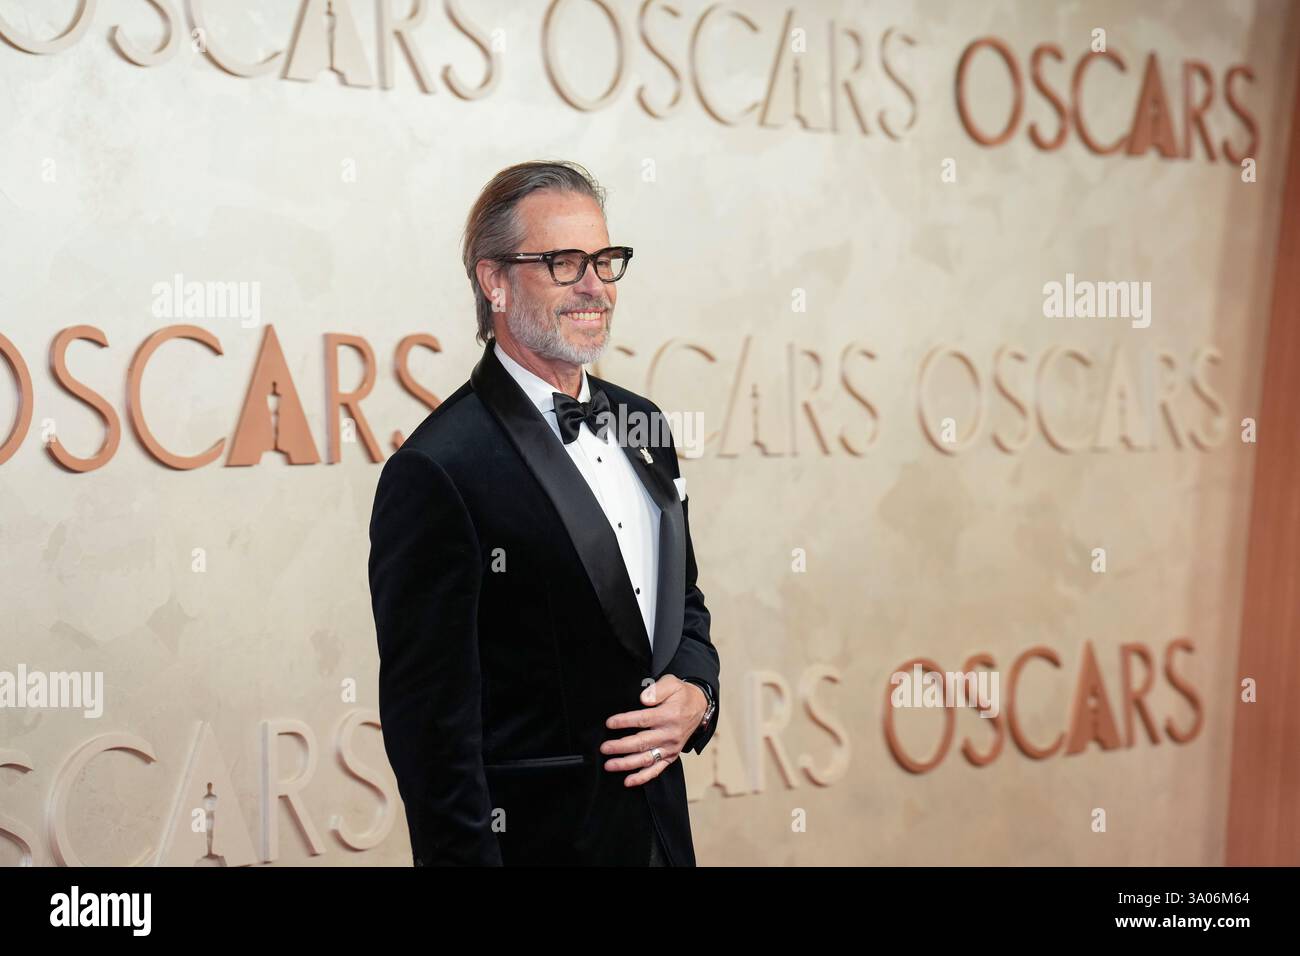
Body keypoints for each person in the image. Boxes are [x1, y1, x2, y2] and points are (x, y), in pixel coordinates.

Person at [368, 160, 720, 866]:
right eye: (563, 262)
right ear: (493, 280)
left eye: (605, 260)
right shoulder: (439, 471)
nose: (595, 285)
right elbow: (434, 746)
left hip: (661, 840)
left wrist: (699, 694)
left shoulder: (642, 422)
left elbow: (684, 606)